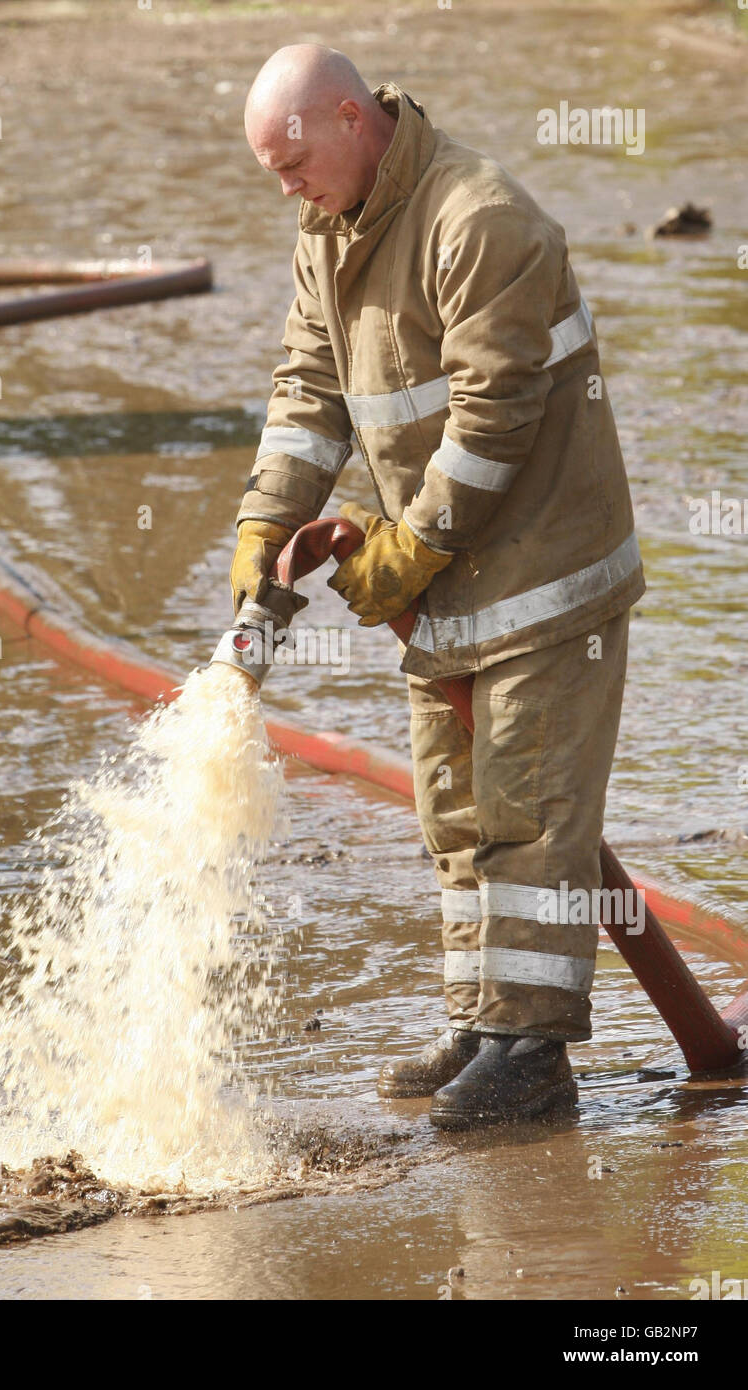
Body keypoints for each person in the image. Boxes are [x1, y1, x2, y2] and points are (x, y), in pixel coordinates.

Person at [231, 44, 645, 1129]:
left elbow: (493, 415)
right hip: (447, 584)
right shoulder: (329, 229)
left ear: (350, 117)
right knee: (454, 812)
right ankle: (480, 1024)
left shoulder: (478, 218)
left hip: (545, 575)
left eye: (292, 163)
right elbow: (308, 390)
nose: (286, 189)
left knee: (529, 815)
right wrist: (266, 519)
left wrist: (407, 548)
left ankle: (533, 1052)